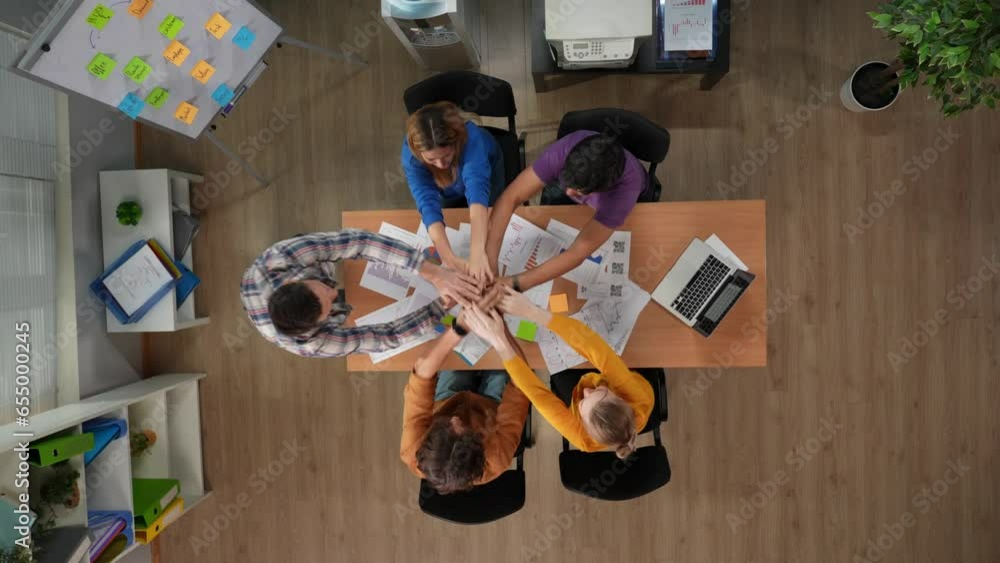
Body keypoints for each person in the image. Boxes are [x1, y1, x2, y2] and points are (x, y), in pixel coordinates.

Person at [463, 288, 653, 459]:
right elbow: (593, 347)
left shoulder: (580, 436)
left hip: (599, 390)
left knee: (559, 376)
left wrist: (499, 342)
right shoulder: (633, 394)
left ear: (583, 425)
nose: (587, 392)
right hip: (631, 382)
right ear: (618, 396)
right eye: (598, 392)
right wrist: (533, 312)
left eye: (583, 404)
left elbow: (538, 395)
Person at [240, 229, 480, 358]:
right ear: (317, 326)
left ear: (296, 283)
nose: (334, 292)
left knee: (333, 253)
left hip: (266, 278)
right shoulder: (311, 344)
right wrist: (439, 308)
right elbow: (385, 337)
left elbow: (361, 242)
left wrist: (431, 272)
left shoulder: (282, 257)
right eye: (328, 308)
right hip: (268, 310)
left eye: (323, 288)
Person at [484, 131, 648, 291]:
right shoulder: (567, 148)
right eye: (566, 179)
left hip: (626, 199)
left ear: (600, 190)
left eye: (578, 190)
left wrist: (517, 284)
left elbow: (578, 252)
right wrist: (490, 261)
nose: (568, 192)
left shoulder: (624, 192)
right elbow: (510, 197)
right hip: (576, 206)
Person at [400, 303, 529, 494]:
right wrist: (500, 331)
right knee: (501, 364)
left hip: (449, 400)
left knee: (455, 356)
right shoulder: (496, 457)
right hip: (492, 409)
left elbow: (420, 378)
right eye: (460, 427)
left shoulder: (413, 449)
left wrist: (458, 329)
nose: (454, 419)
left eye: (445, 425)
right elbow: (521, 386)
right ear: (478, 442)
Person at [402, 101, 505, 284]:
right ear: (419, 154)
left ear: (456, 142)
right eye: (432, 160)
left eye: (446, 156)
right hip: (449, 189)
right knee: (448, 214)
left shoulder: (472, 140)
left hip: (487, 172)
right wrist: (448, 258)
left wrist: (477, 252)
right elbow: (427, 203)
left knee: (492, 212)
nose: (441, 165)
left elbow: (477, 190)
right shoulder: (411, 157)